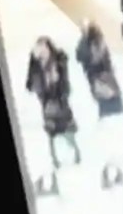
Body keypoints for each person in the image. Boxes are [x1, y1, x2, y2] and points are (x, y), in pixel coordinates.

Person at [25, 37, 81, 169]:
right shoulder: (36, 66)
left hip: (60, 99)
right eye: (39, 49)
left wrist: (63, 93)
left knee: (66, 128)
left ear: (49, 48)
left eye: (44, 48)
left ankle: (76, 153)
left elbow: (64, 78)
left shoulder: (58, 60)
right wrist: (33, 62)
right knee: (52, 131)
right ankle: (55, 159)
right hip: (47, 103)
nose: (42, 52)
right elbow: (30, 86)